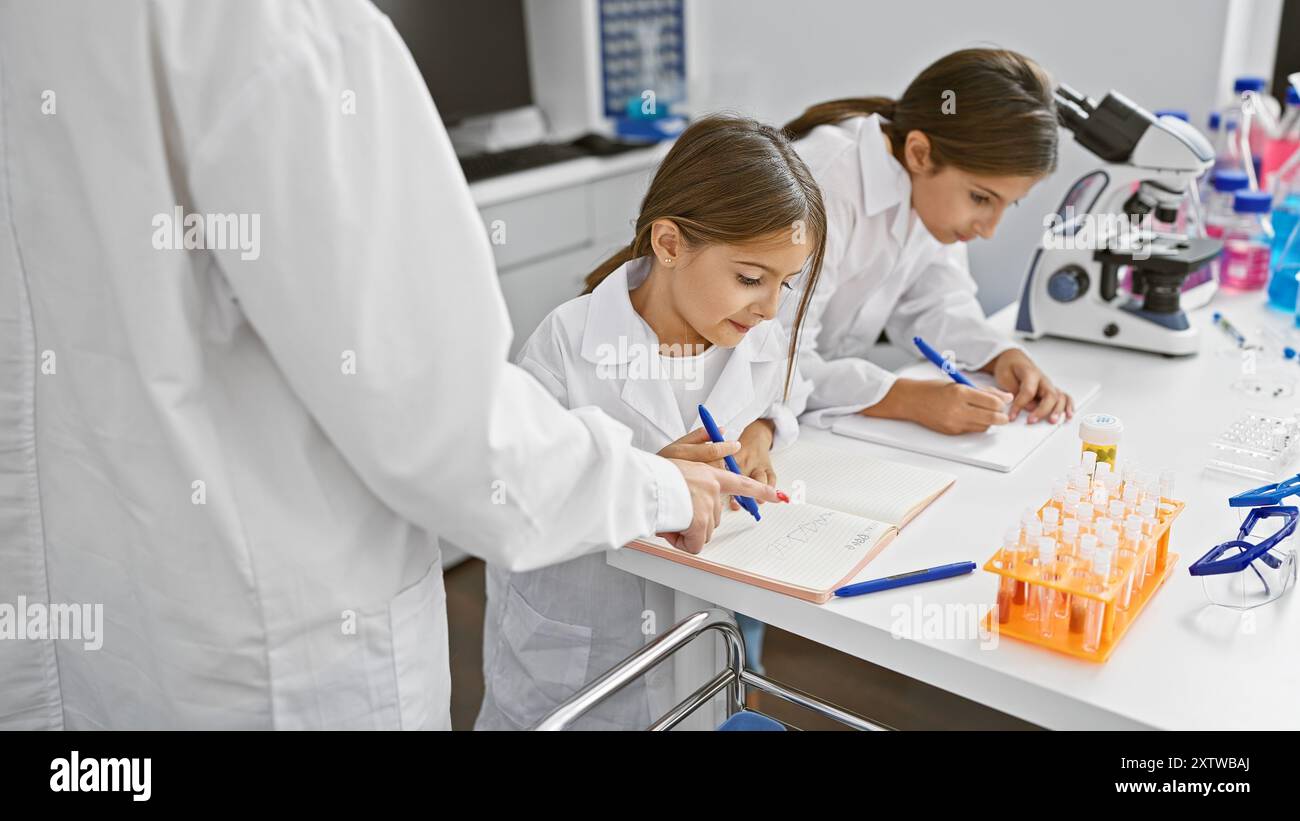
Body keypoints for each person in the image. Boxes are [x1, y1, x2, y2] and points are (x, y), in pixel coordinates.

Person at [0, 0, 776, 730]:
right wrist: (655, 483)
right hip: (267, 667)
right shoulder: (283, 31)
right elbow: (448, 423)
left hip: (92, 655)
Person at [475, 114, 825, 730]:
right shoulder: (568, 342)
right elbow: (511, 501)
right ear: (668, 244)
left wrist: (762, 431)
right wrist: (650, 482)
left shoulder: (756, 337)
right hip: (580, 656)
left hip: (695, 643)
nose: (770, 308)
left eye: (786, 284)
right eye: (750, 278)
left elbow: (790, 389)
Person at [777, 48, 1075, 436]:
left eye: (1007, 203)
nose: (989, 229)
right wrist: (904, 399)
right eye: (982, 198)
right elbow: (775, 360)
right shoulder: (823, 184)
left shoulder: (928, 194)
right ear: (919, 152)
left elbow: (936, 302)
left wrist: (998, 355)